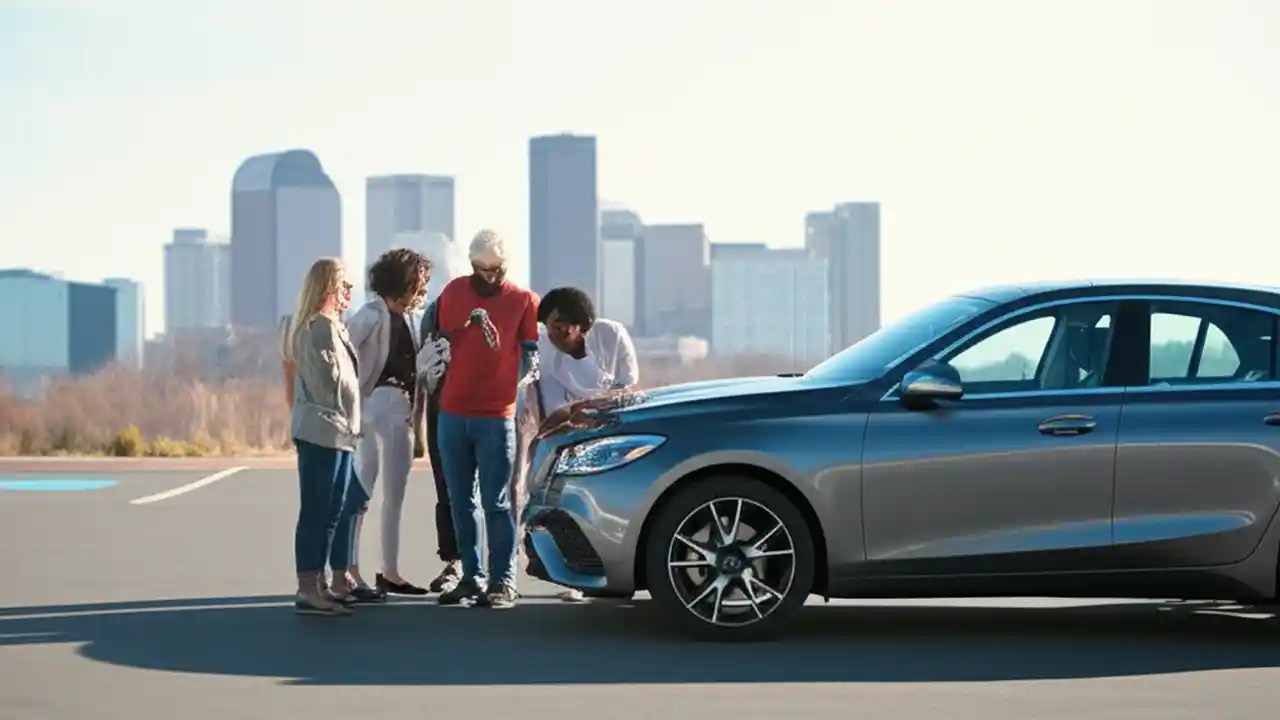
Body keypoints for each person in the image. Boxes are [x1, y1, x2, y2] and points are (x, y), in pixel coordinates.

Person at [429, 229, 539, 609]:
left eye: (498, 270)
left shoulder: (524, 300)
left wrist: (516, 386)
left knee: (496, 502)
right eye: (483, 269)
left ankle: (503, 581)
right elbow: (437, 341)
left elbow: (530, 354)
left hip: (497, 416)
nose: (491, 277)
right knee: (460, 501)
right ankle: (471, 577)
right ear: (472, 265)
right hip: (453, 413)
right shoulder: (453, 293)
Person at [533, 286, 640, 601]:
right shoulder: (545, 350)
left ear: (584, 326)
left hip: (617, 428)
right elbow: (553, 414)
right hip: (573, 434)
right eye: (552, 325)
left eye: (566, 326)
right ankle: (583, 577)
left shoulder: (612, 335)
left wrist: (590, 408)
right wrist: (574, 417)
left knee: (616, 507)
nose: (558, 333)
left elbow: (629, 389)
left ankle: (622, 574)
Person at [345, 248, 432, 598]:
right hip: (369, 409)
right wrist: (350, 411)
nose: (422, 290)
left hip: (401, 413)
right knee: (361, 492)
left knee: (394, 496)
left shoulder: (414, 319)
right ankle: (348, 569)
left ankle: (390, 571)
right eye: (419, 282)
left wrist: (420, 429)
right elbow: (345, 362)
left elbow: (421, 376)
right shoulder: (369, 315)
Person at [283, 257, 360, 616]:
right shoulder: (317, 328)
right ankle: (307, 586)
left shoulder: (336, 327)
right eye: (345, 285)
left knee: (332, 510)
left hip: (341, 432)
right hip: (322, 431)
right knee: (316, 509)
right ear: (329, 286)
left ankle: (321, 583)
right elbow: (331, 385)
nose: (350, 292)